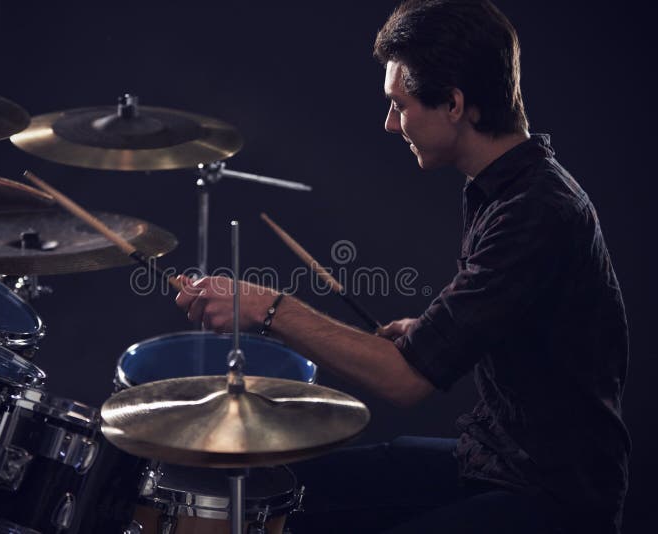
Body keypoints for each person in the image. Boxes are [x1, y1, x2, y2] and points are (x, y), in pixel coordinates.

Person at [175, 0, 630, 532]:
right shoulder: (502, 187)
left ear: (455, 104)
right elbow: (510, 317)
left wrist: (266, 309)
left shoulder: (535, 212)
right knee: (288, 491)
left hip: (555, 495)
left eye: (401, 104)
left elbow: (406, 383)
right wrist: (425, 331)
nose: (390, 124)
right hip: (495, 460)